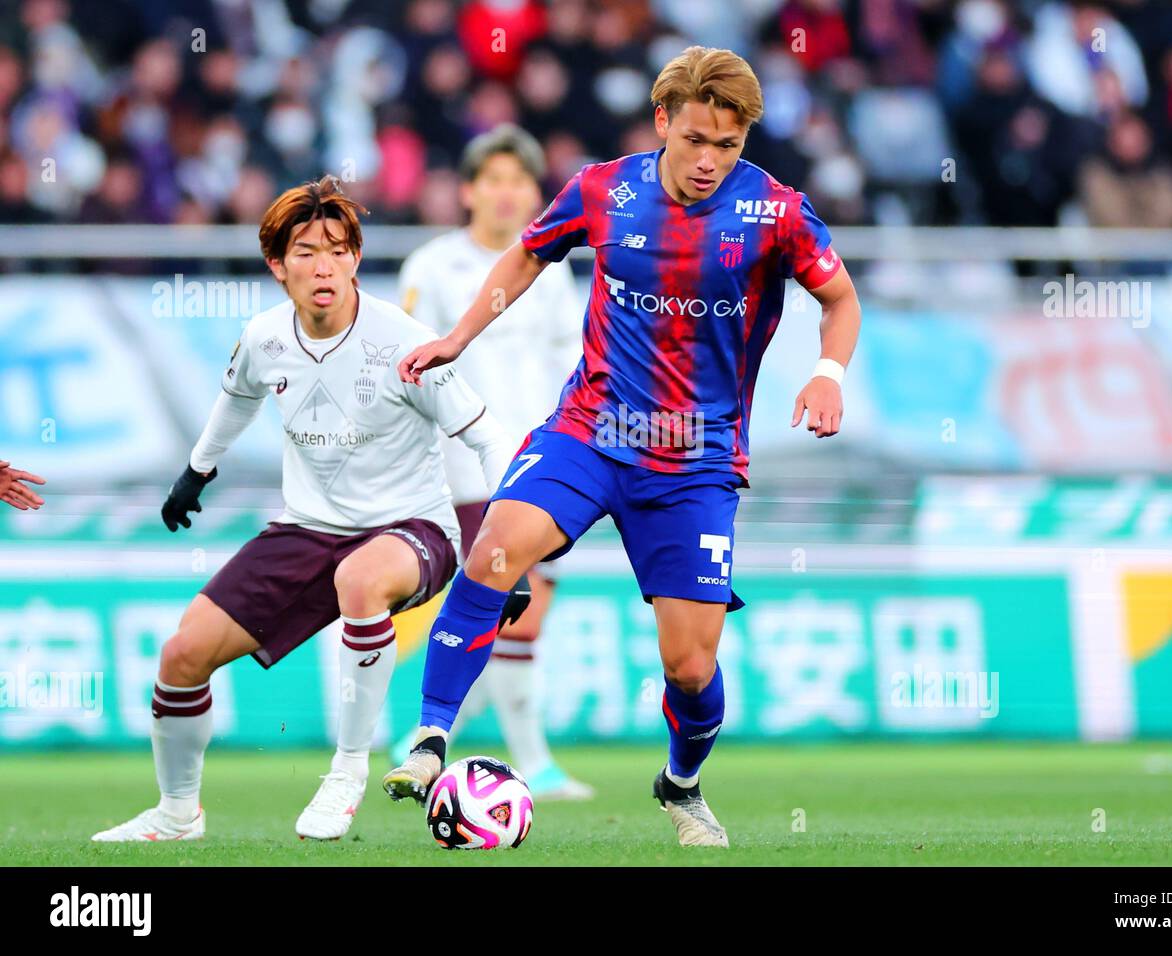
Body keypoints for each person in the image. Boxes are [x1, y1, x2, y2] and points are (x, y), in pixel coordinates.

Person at [383, 46, 862, 848]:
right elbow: (529, 252)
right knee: (496, 550)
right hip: (590, 430)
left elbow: (839, 299)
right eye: (696, 140)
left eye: (729, 145)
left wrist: (826, 373)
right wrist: (458, 337)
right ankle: (431, 740)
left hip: (697, 460)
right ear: (663, 121)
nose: (710, 161)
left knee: (691, 667)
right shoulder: (606, 189)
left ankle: (680, 784)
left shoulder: (775, 211)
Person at [91, 175, 517, 842]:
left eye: (339, 250)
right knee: (181, 657)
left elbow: (489, 439)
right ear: (277, 264)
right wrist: (196, 473)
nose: (324, 266)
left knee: (360, 579)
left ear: (355, 258)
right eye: (307, 251)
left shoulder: (404, 343)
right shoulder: (265, 338)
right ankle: (177, 814)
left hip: (413, 527)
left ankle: (347, 771)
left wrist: (500, 549)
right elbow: (236, 400)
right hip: (309, 527)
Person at [396, 124, 592, 800]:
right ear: (469, 190)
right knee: (514, 604)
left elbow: (574, 362)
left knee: (520, 614)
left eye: (521, 182)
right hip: (470, 464)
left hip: (549, 460)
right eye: (495, 180)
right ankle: (530, 760)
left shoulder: (554, 269)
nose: (509, 195)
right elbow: (411, 367)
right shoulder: (432, 267)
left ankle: (426, 736)